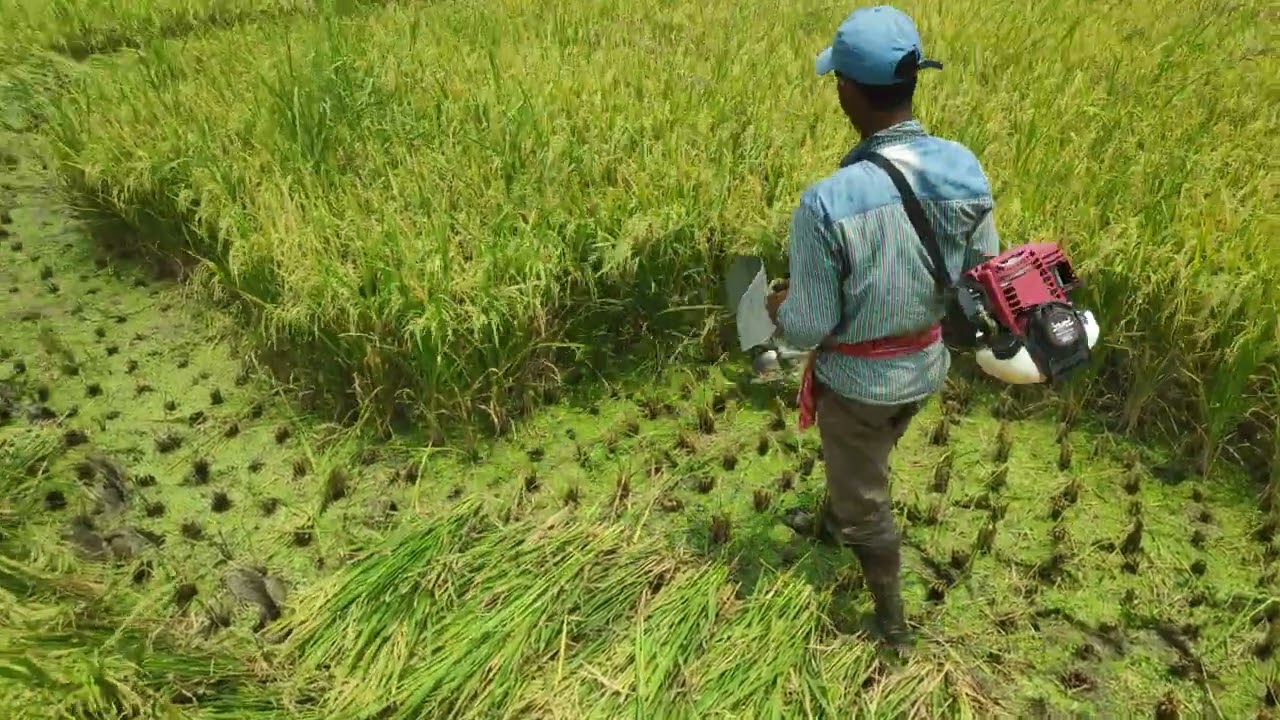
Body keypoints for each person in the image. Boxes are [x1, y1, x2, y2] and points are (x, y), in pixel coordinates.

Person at [765, 5, 1000, 647]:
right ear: (911, 80)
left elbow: (810, 327)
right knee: (861, 460)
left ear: (846, 89)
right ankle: (832, 521)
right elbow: (982, 277)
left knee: (865, 494)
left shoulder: (826, 203)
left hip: (861, 386)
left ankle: (890, 624)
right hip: (925, 367)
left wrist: (778, 307)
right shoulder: (964, 167)